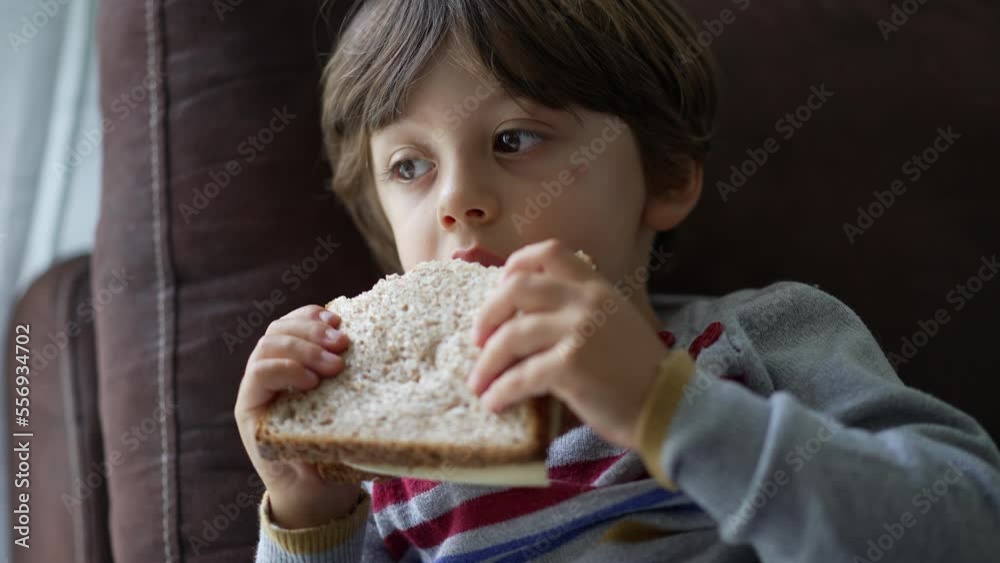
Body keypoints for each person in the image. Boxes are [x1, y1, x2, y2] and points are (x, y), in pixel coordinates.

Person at [234, 1, 1000, 561]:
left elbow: (968, 523)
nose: (455, 199)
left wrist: (664, 407)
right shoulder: (391, 467)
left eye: (514, 138)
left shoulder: (762, 337)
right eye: (410, 165)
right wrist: (308, 512)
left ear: (663, 177)